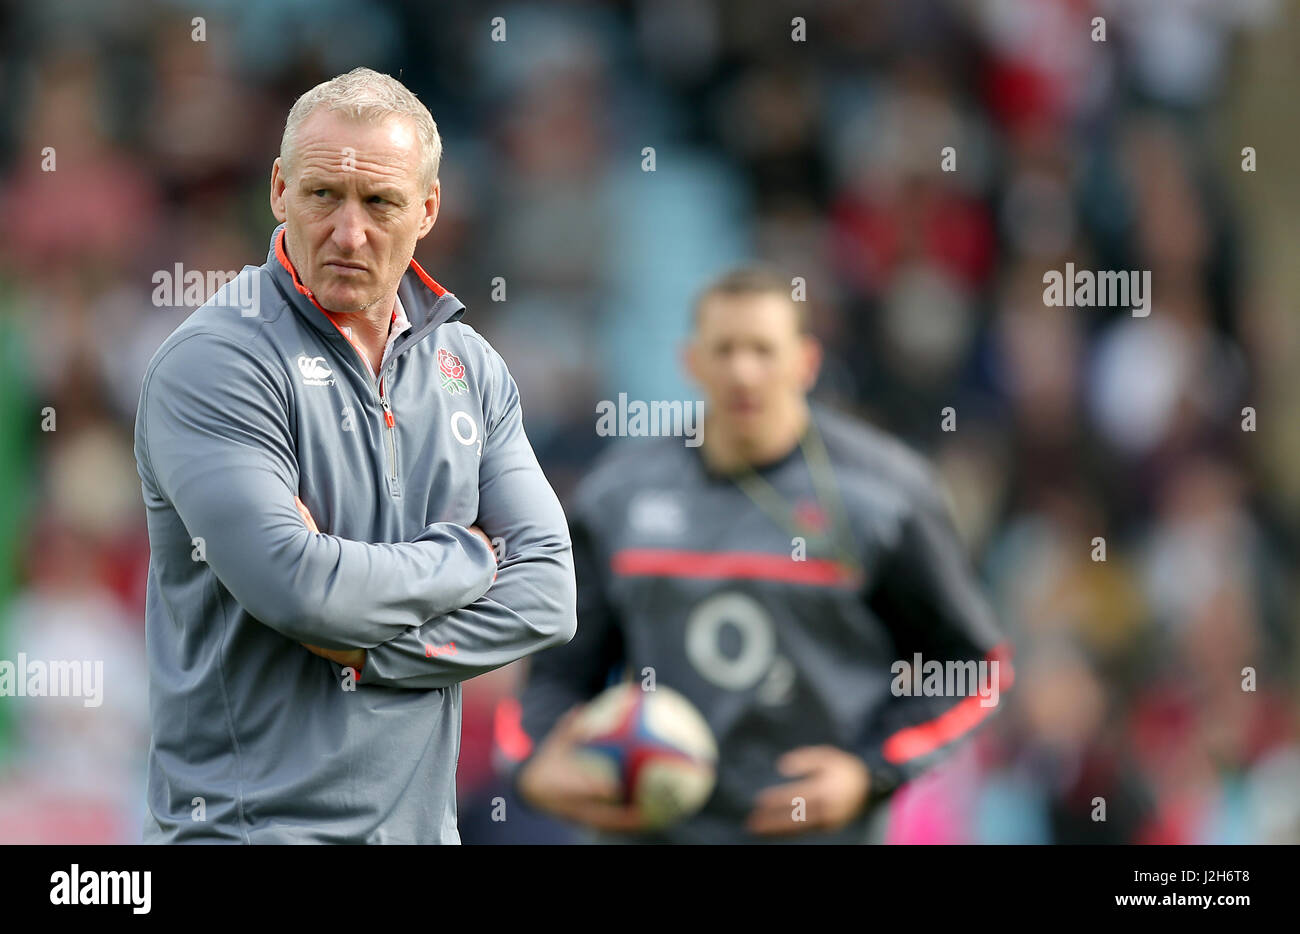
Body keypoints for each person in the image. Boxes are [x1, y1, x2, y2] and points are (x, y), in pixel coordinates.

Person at [134, 67, 576, 844]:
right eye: (322, 196)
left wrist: (372, 656)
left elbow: (548, 595)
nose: (348, 232)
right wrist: (470, 559)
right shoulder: (214, 363)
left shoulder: (469, 368)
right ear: (278, 190)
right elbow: (302, 592)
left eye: (380, 203)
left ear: (429, 209)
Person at [499, 267, 1011, 843]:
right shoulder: (617, 497)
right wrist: (534, 763)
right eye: (725, 350)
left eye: (764, 350)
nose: (744, 371)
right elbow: (557, 670)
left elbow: (974, 667)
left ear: (807, 362)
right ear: (691, 362)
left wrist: (869, 771)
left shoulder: (888, 496)